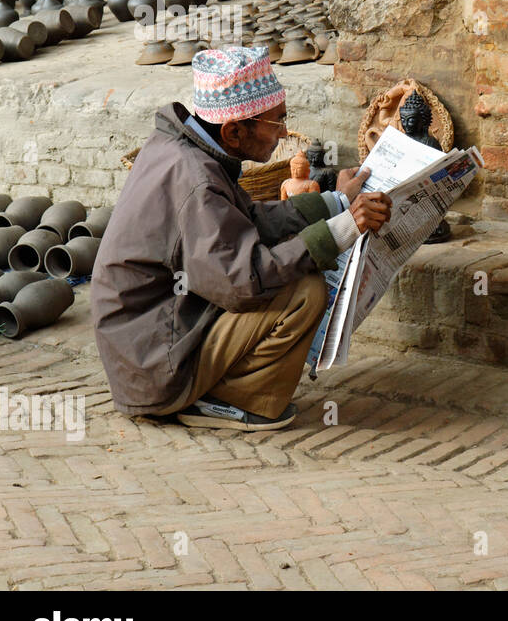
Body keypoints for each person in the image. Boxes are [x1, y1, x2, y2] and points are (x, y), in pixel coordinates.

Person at [90, 47, 392, 431]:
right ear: (234, 130)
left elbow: (246, 218)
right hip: (155, 364)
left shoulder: (185, 149)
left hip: (154, 334)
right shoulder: (196, 180)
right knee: (305, 292)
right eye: (277, 122)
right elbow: (243, 283)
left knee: (294, 272)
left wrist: (337, 201)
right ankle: (230, 401)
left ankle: (219, 389)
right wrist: (343, 229)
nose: (284, 132)